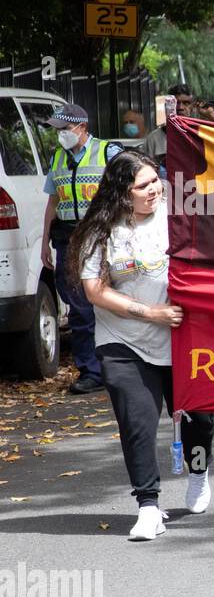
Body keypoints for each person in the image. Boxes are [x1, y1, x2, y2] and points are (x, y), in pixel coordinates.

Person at [68, 151, 214, 541]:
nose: (154, 189)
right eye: (143, 185)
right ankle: (148, 506)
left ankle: (199, 473)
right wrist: (149, 313)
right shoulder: (100, 232)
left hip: (184, 340)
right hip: (124, 342)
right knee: (137, 423)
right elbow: (95, 291)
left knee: (199, 421)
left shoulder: (180, 217)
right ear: (121, 193)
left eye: (156, 181)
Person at [40, 104, 121, 394]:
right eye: (57, 130)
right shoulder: (58, 158)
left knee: (113, 300)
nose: (60, 135)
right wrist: (44, 242)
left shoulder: (108, 152)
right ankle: (91, 371)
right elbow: (52, 203)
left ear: (81, 128)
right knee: (79, 307)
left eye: (64, 129)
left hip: (103, 236)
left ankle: (121, 366)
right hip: (68, 240)